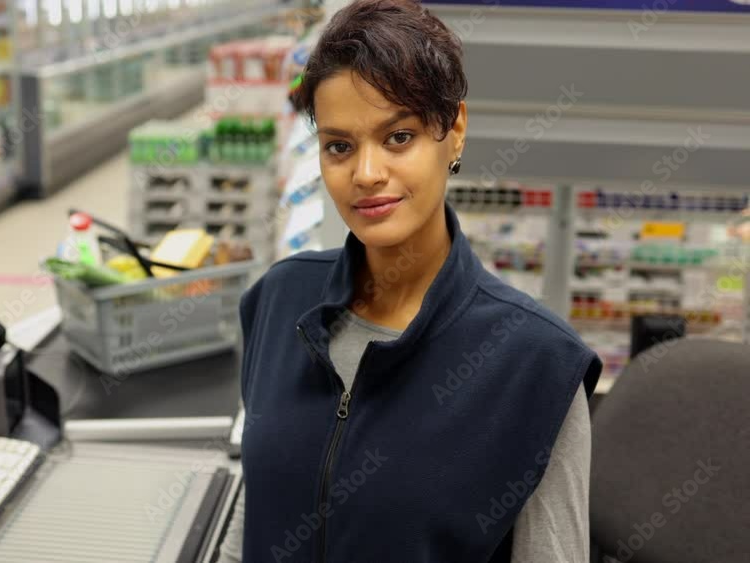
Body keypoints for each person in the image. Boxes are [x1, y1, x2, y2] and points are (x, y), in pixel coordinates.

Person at [224, 1, 602, 562]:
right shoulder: (278, 302)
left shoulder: (537, 365)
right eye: (339, 146)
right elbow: (251, 520)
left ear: (454, 130)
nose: (367, 173)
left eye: (398, 137)